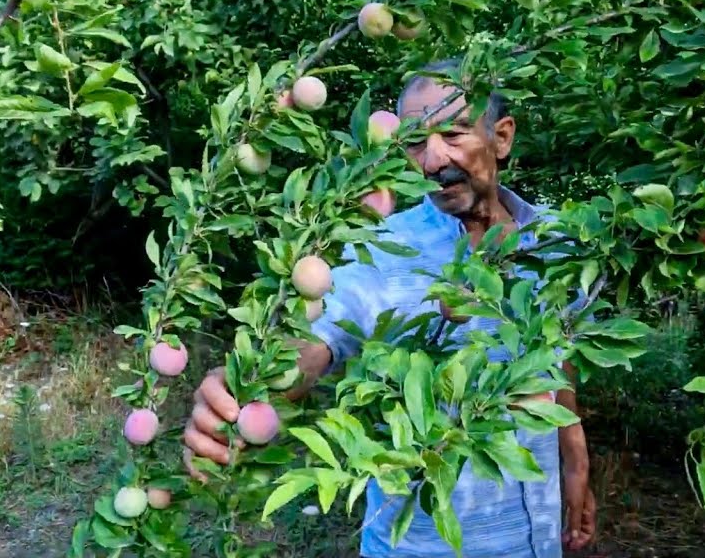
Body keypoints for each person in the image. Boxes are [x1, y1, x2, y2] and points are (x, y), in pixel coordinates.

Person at [182, 59, 597, 557]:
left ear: (502, 138)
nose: (432, 159)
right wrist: (253, 384)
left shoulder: (559, 245)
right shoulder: (384, 247)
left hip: (537, 536)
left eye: (454, 132)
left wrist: (575, 463)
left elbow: (559, 360)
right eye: (417, 141)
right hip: (422, 545)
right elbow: (323, 334)